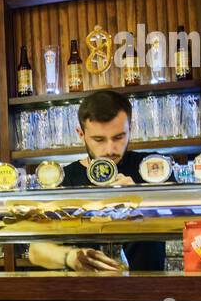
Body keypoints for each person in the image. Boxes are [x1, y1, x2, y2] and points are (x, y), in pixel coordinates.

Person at [27, 89, 168, 273]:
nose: (110, 149)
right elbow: (36, 251)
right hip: (86, 294)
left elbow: (187, 224)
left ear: (130, 129)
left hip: (149, 290)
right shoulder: (65, 177)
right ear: (81, 134)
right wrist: (71, 257)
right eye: (99, 139)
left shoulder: (153, 168)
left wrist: (140, 200)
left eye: (119, 137)